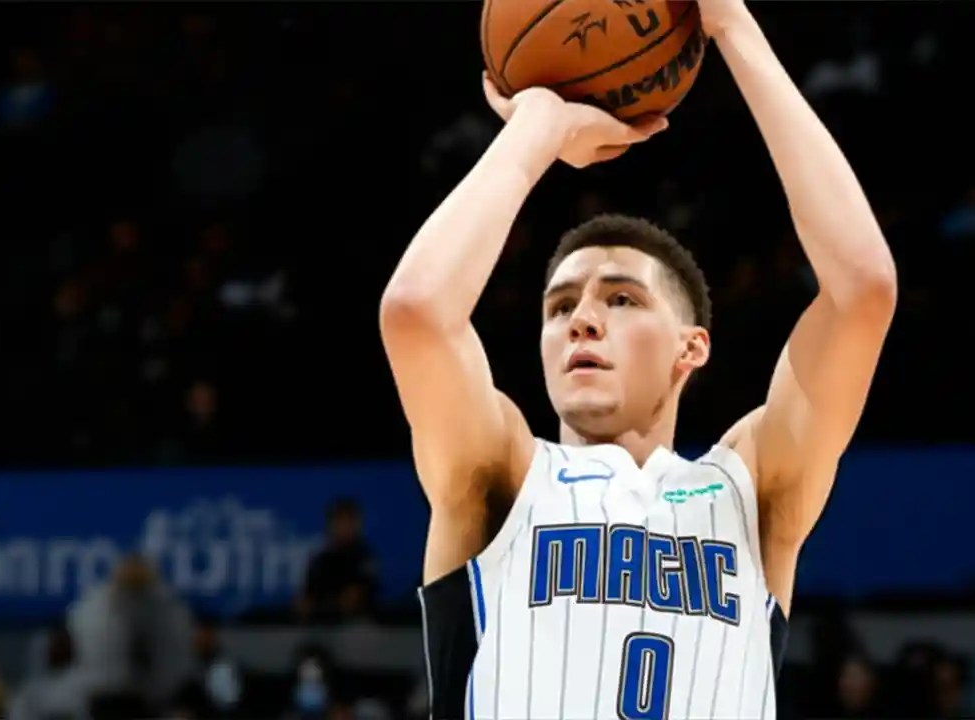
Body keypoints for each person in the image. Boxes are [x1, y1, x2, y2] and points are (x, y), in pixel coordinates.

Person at [379, 1, 896, 718]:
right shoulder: (503, 472)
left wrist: (734, 28)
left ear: (692, 348)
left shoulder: (748, 489)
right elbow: (416, 312)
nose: (582, 319)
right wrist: (537, 128)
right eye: (559, 308)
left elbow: (863, 291)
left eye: (621, 300)